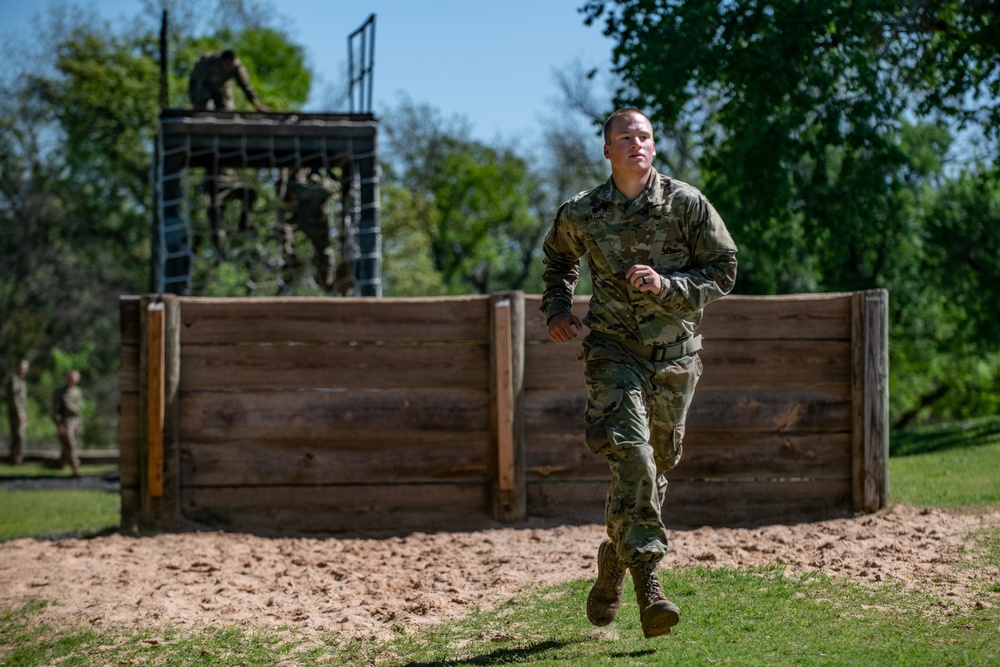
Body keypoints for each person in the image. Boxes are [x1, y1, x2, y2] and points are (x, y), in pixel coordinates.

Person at [540, 108, 738, 639]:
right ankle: (650, 582)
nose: (637, 144)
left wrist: (668, 285)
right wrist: (558, 310)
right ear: (607, 150)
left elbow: (724, 270)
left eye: (645, 136)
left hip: (676, 356)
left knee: (655, 467)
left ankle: (613, 565)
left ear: (655, 145)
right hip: (612, 351)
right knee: (633, 455)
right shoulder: (582, 211)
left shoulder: (687, 203)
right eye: (625, 137)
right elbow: (558, 261)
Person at [277, 168, 341, 291]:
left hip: (316, 224)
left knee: (324, 252)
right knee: (323, 252)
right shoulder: (322, 185)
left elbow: (299, 190)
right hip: (305, 221)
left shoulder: (313, 186)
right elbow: (285, 197)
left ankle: (325, 278)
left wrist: (292, 177)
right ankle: (293, 261)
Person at [188, 49, 269, 112]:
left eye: (230, 65)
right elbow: (196, 81)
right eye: (226, 65)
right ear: (221, 61)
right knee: (204, 109)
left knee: (227, 111)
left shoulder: (237, 67)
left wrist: (256, 105)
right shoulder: (207, 62)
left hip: (221, 86)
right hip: (204, 86)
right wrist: (197, 101)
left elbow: (245, 86)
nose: (228, 67)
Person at [52, 370, 83, 477]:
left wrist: (79, 425)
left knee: (67, 445)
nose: (72, 381)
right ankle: (75, 468)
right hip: (65, 421)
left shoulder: (77, 392)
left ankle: (61, 463)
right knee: (70, 444)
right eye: (71, 378)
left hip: (75, 421)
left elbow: (79, 410)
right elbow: (56, 410)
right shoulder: (60, 392)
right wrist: (59, 425)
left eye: (75, 379)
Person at [5, 359, 29, 465]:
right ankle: (16, 459)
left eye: (25, 368)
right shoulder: (14, 380)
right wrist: (20, 414)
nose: (24, 370)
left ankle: (15, 460)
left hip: (21, 412)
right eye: (22, 367)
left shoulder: (21, 381)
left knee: (18, 436)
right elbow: (15, 399)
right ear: (17, 367)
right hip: (16, 414)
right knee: (19, 436)